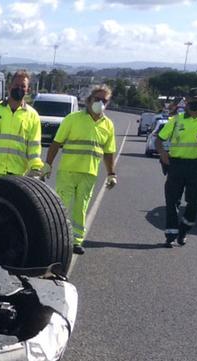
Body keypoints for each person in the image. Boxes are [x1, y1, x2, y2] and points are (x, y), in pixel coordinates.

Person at [45, 85, 118, 255]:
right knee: (62, 205)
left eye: (104, 100)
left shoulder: (108, 125)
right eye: (97, 99)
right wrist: (48, 164)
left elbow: (108, 152)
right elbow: (56, 143)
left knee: (81, 208)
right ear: (89, 100)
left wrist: (111, 173)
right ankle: (57, 239)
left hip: (89, 173)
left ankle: (76, 241)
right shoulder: (73, 119)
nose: (100, 103)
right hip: (68, 171)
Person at [156, 88, 197, 247]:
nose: (196, 104)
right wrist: (163, 154)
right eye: (193, 101)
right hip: (176, 164)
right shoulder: (176, 120)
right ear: (186, 103)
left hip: (196, 166)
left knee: (194, 202)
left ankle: (184, 231)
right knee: (172, 200)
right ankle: (171, 234)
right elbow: (159, 140)